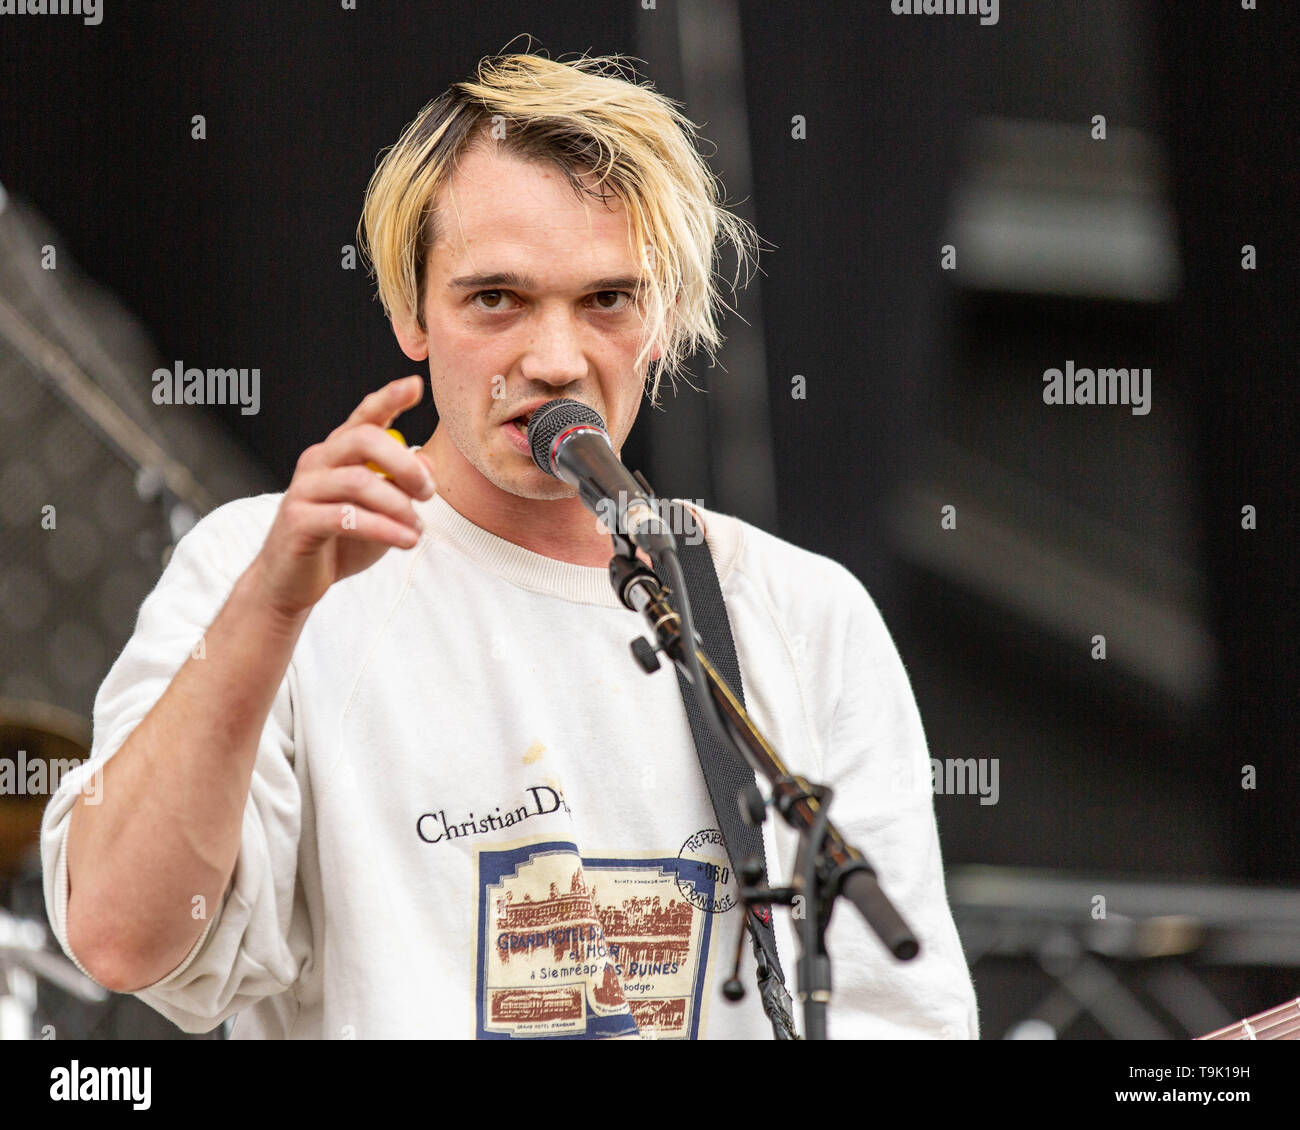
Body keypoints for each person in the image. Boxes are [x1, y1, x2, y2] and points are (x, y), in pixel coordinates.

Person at [40, 52, 979, 1039]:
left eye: (607, 300)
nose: (555, 359)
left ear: (659, 320)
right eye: (497, 298)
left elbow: (898, 1015)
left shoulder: (798, 611)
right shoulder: (262, 566)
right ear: (410, 308)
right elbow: (120, 937)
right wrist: (269, 608)